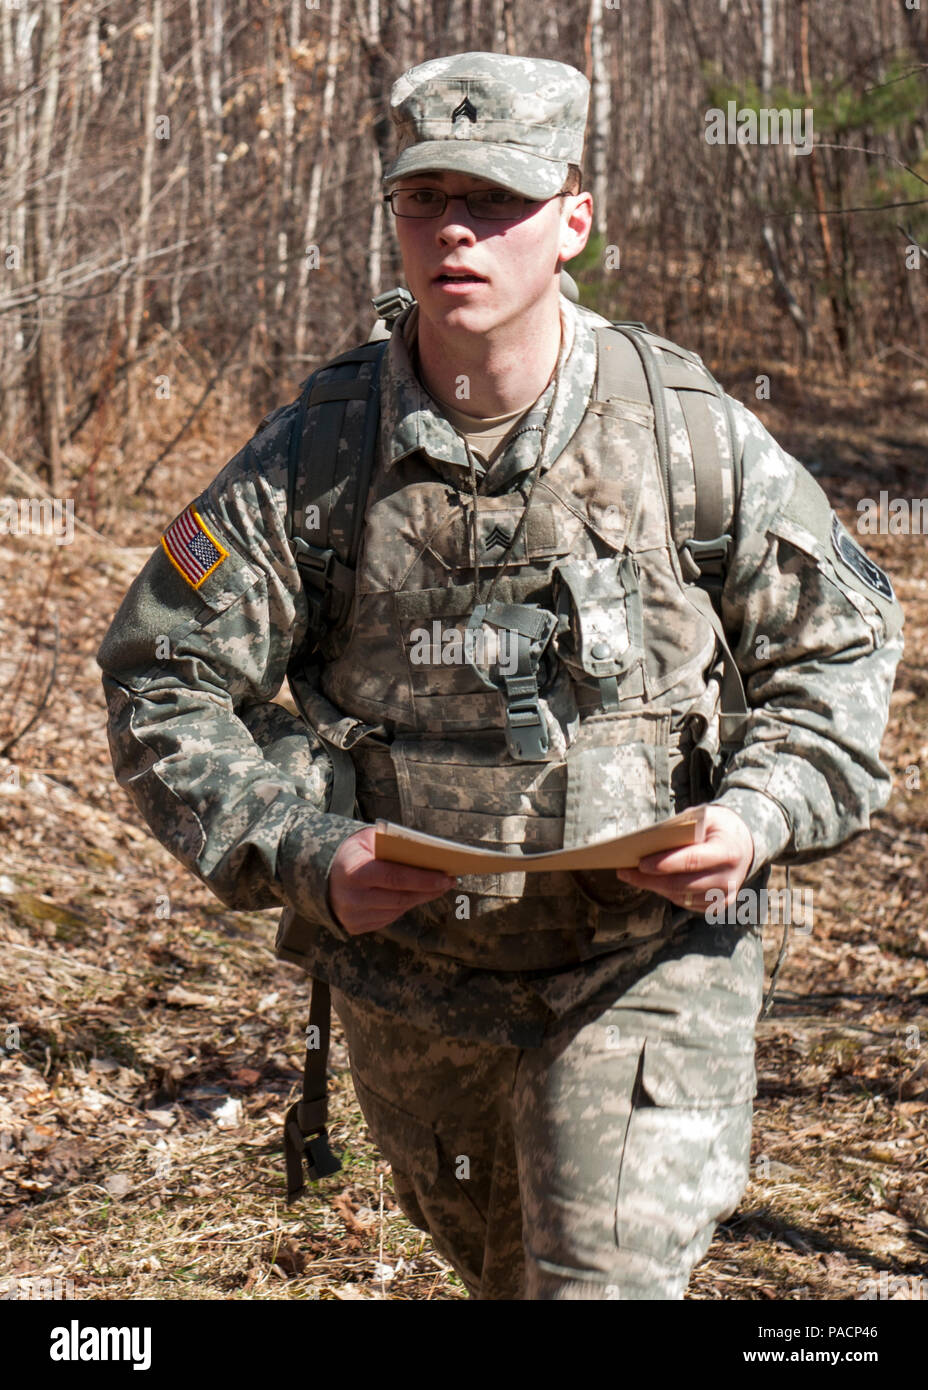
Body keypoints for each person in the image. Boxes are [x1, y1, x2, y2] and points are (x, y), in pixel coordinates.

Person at [97, 52, 904, 1300]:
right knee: (501, 1279)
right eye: (426, 200)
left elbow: (839, 645)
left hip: (649, 960)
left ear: (573, 220)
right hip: (419, 988)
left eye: (498, 199)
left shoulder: (686, 433)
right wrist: (301, 848)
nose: (456, 230)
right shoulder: (316, 458)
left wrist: (756, 817)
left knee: (598, 1282)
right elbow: (161, 674)